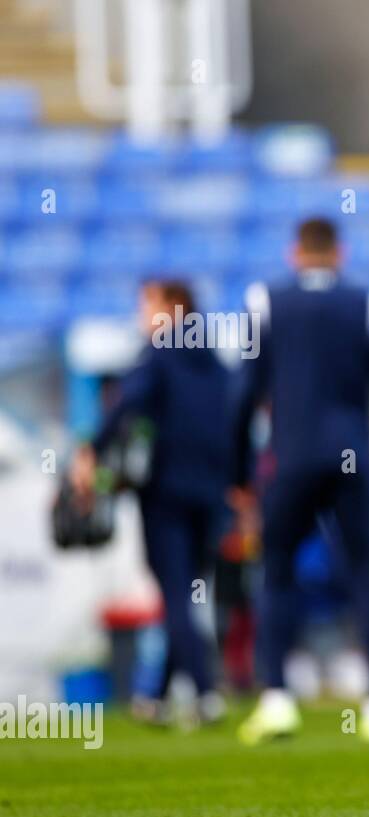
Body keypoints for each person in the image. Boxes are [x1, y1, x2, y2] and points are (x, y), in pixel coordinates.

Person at [231, 218, 369, 744]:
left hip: (288, 457)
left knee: (276, 571)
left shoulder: (266, 299)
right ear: (341, 252)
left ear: (296, 252)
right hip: (353, 456)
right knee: (368, 573)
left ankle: (277, 699)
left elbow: (244, 393)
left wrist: (238, 472)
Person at [72, 279, 233, 725]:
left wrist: (91, 451)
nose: (142, 315)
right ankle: (158, 696)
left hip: (165, 493)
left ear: (172, 308)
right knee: (186, 595)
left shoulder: (158, 355)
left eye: (147, 305)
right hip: (210, 494)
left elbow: (127, 406)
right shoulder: (215, 362)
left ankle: (204, 691)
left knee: (175, 594)